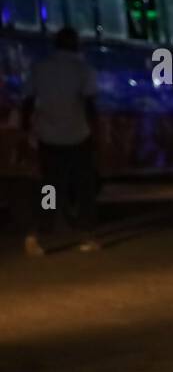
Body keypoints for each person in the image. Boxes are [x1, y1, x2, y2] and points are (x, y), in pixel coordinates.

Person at [21, 26, 100, 254]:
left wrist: (27, 131)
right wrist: (97, 134)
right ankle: (86, 235)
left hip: (48, 138)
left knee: (49, 188)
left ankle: (38, 233)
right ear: (75, 44)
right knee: (84, 188)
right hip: (78, 137)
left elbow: (27, 102)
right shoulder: (83, 69)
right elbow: (89, 104)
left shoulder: (39, 68)